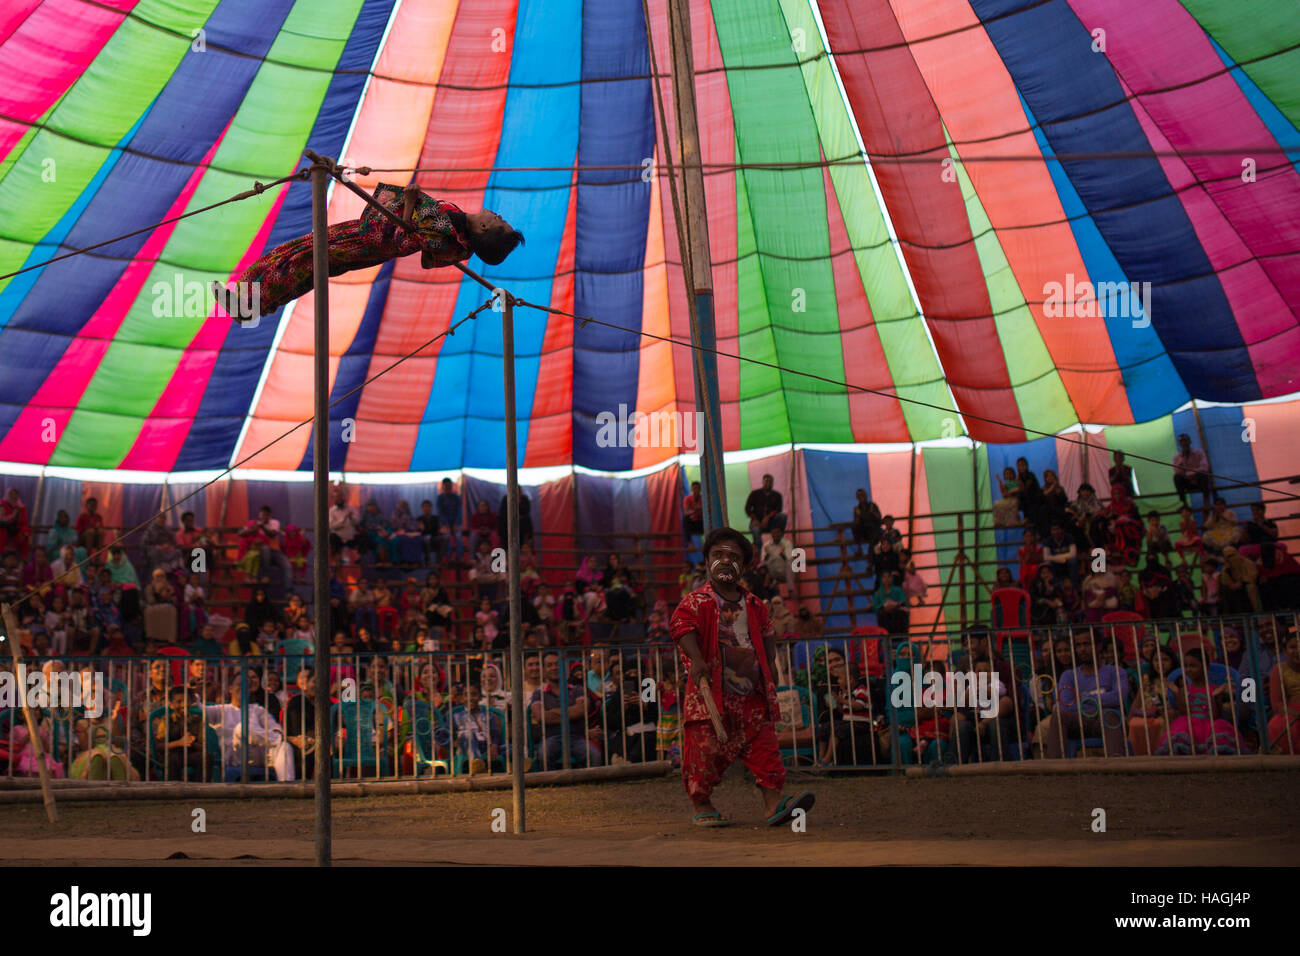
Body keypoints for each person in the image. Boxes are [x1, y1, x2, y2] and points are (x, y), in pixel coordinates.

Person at [670, 526, 814, 827]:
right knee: (704, 753)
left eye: (733, 556)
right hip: (711, 696)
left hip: (751, 697)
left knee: (765, 749)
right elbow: (681, 627)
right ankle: (702, 803)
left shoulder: (755, 605)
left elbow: (767, 635)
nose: (725, 561)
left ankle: (773, 803)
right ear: (707, 560)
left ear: (744, 566)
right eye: (718, 555)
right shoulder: (696, 601)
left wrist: (772, 672)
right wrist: (696, 660)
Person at [214, 182, 524, 320]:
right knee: (306, 263)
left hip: (367, 241)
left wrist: (413, 201)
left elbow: (406, 237)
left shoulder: (448, 225)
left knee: (302, 258)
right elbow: (428, 259)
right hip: (371, 244)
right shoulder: (460, 247)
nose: (497, 215)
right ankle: (253, 303)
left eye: (499, 222)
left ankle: (249, 302)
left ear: (484, 230)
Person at [1033, 631, 1129, 759]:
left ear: (1099, 646)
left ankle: (1116, 762)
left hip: (1106, 721)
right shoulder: (1069, 675)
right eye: (1078, 645)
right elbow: (1065, 705)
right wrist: (1101, 702)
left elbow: (1118, 698)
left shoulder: (1116, 672)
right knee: (1059, 716)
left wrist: (1083, 698)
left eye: (1086, 644)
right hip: (1079, 723)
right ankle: (1053, 765)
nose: (1082, 649)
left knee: (1109, 713)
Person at [743, 474, 787, 551]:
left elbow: (778, 509)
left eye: (770, 482)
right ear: (763, 482)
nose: (768, 483)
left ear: (772, 483)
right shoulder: (755, 493)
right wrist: (755, 519)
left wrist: (768, 517)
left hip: (771, 523)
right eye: (766, 481)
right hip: (756, 522)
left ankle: (778, 540)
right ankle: (760, 555)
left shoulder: (777, 495)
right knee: (756, 531)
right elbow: (747, 508)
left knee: (782, 516)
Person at [1172, 434, 1210, 511]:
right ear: (1179, 444)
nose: (1184, 443)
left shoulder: (1199, 452)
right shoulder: (1177, 457)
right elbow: (1177, 471)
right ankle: (1184, 504)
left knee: (1204, 475)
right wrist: (1181, 460)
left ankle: (1206, 503)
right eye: (1181, 442)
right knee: (1177, 478)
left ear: (1190, 441)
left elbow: (1205, 467)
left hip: (1199, 481)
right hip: (1187, 483)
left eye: (1185, 441)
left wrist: (1188, 474)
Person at [436, 479, 464, 562]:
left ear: (452, 486)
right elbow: (440, 512)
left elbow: (459, 511)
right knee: (446, 537)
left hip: (456, 522)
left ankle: (460, 557)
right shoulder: (440, 498)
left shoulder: (456, 497)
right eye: (446, 486)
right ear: (443, 487)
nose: (448, 488)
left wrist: (456, 523)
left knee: (458, 537)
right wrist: (445, 524)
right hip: (445, 523)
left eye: (449, 486)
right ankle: (449, 558)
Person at [328, 487, 361, 558]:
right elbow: (331, 526)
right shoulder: (331, 511)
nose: (339, 499)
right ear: (333, 499)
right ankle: (336, 560)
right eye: (337, 497)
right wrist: (343, 519)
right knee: (332, 538)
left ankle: (358, 557)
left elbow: (357, 522)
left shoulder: (351, 509)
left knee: (363, 537)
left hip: (351, 536)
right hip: (338, 537)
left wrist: (351, 517)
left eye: (340, 496)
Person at [851, 489, 883, 554]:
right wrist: (858, 515)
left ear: (866, 496)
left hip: (874, 530)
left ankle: (870, 553)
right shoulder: (857, 508)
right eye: (858, 495)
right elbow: (856, 523)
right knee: (854, 527)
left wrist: (872, 512)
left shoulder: (872, 505)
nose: (860, 497)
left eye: (862, 495)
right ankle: (860, 549)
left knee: (876, 534)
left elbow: (880, 518)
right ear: (857, 497)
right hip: (865, 531)